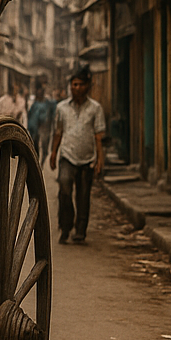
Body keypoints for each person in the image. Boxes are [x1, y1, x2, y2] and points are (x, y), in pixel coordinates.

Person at [49, 67, 106, 244]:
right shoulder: (61, 108)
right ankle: (66, 226)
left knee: (83, 195)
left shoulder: (95, 108)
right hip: (67, 155)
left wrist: (99, 159)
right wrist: (53, 153)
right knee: (65, 189)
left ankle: (80, 230)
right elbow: (58, 132)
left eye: (81, 84)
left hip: (87, 157)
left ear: (87, 86)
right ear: (70, 86)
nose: (77, 88)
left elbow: (98, 136)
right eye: (74, 84)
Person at [27, 83, 56, 159]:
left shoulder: (48, 103)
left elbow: (52, 115)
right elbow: (30, 116)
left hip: (45, 128)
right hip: (35, 128)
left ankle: (42, 161)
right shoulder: (34, 104)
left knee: (44, 145)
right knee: (35, 145)